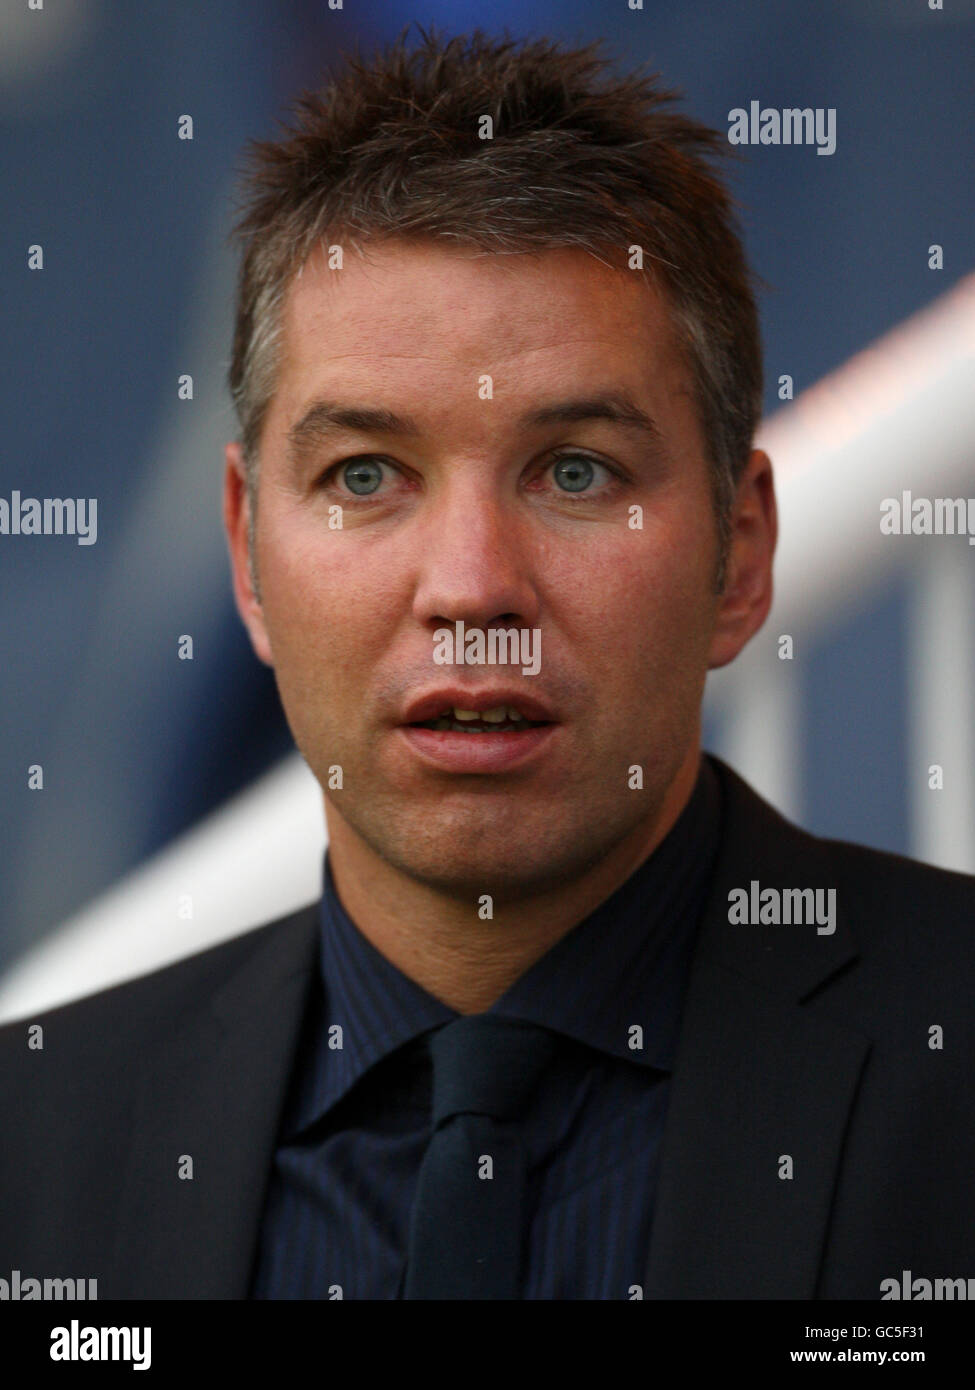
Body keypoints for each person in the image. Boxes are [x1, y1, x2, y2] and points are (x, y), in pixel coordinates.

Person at [2, 27, 973, 1302]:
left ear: (739, 558)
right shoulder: (39, 1149)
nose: (471, 587)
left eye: (576, 471)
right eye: (366, 475)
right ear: (247, 556)